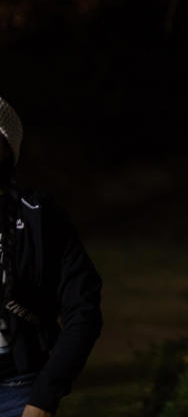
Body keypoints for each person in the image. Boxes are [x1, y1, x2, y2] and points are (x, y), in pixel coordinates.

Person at [0, 97, 102, 417]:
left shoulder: (38, 216)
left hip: (16, 391)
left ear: (6, 150)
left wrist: (43, 397)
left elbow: (82, 309)